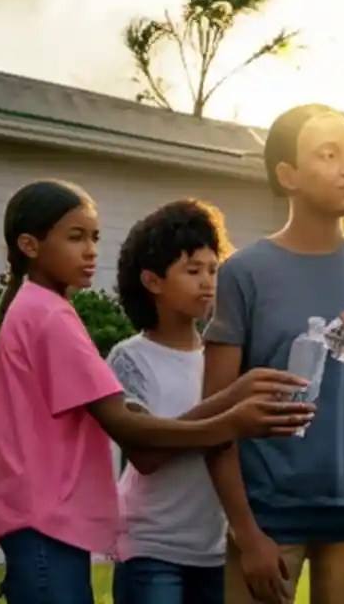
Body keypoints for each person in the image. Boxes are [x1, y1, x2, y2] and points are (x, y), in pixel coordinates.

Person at [0, 180, 316, 604]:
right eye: (76, 237)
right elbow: (128, 427)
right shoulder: (50, 317)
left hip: (46, 520)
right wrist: (232, 413)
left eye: (94, 237)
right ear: (30, 245)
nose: (91, 249)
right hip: (51, 522)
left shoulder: (40, 309)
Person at [202, 104, 344, 604]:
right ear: (288, 175)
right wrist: (245, 531)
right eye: (328, 155)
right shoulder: (246, 275)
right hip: (269, 514)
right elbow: (215, 416)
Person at [109, 199, 234, 604]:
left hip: (214, 548)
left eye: (214, 270)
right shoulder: (130, 358)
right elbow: (145, 455)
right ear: (152, 280)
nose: (208, 282)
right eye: (192, 270)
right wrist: (231, 410)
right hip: (151, 548)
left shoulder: (224, 358)